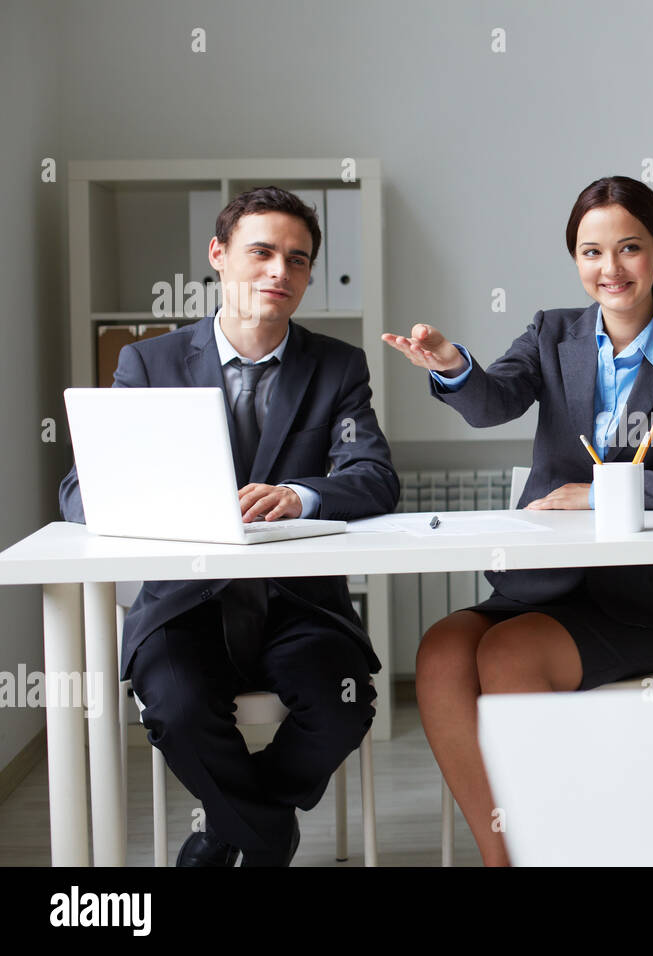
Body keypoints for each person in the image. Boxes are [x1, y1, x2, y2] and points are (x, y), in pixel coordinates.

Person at [383, 175, 653, 865]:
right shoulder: (552, 333)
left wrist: (606, 492)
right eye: (591, 252)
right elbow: (494, 400)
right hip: (540, 586)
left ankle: (559, 846)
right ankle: (505, 856)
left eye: (629, 248)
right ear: (575, 259)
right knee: (439, 654)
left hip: (638, 600)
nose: (609, 269)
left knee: (506, 653)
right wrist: (452, 366)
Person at [59, 186, 400, 866]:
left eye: (298, 260)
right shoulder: (148, 362)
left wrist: (301, 495)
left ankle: (225, 833)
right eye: (263, 252)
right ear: (218, 256)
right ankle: (267, 836)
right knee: (179, 710)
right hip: (187, 605)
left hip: (298, 604)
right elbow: (80, 489)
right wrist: (166, 501)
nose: (280, 271)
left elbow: (375, 476)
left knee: (339, 706)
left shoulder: (337, 366)